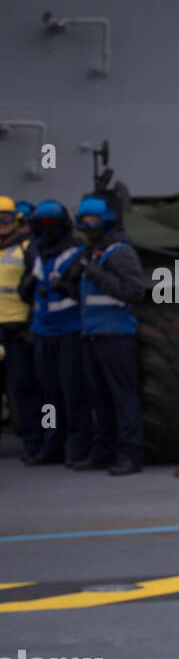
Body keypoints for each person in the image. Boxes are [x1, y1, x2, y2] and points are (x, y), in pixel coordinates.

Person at [72, 196, 148, 475]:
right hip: (92, 335)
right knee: (99, 398)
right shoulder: (93, 252)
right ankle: (103, 451)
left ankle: (130, 454)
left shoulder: (120, 252)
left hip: (115, 335)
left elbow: (134, 291)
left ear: (105, 222)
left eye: (91, 221)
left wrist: (96, 275)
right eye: (83, 221)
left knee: (123, 397)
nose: (86, 226)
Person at [19, 200, 90, 467]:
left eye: (52, 225)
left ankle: (79, 446)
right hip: (41, 330)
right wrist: (26, 286)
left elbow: (83, 292)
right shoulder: (36, 252)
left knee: (73, 393)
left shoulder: (76, 252)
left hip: (69, 330)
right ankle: (52, 444)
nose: (47, 230)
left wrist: (67, 286)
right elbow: (27, 289)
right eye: (42, 225)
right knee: (48, 394)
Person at [0, 196, 43, 462]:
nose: (2, 224)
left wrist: (32, 326)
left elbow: (38, 288)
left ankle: (34, 442)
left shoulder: (28, 248)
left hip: (17, 331)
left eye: (6, 218)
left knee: (24, 388)